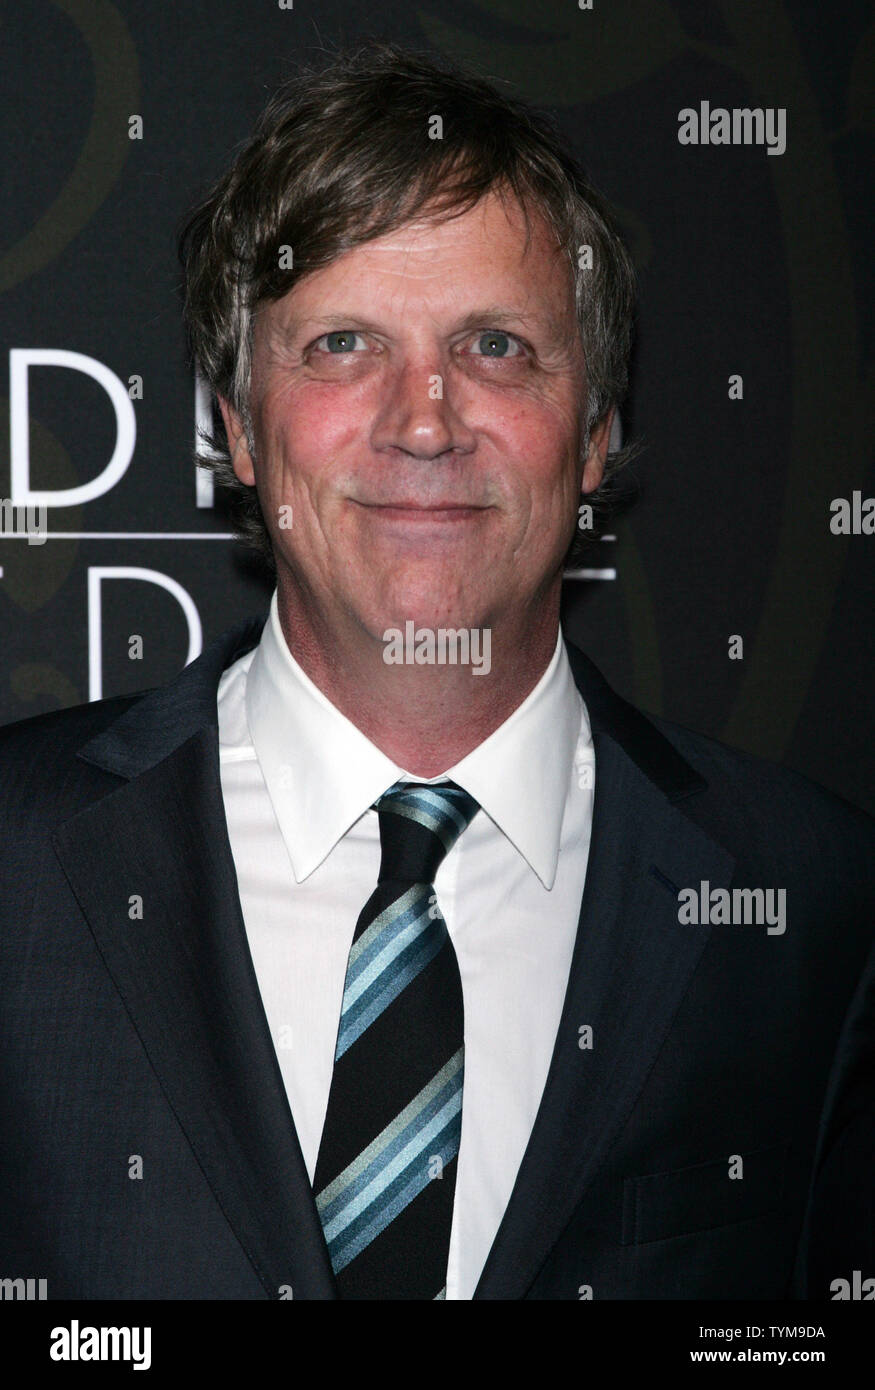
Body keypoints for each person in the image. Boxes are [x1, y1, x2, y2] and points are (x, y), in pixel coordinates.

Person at [0, 43, 872, 1301]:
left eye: (498, 348)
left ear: (595, 434)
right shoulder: (19, 867)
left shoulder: (814, 911)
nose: (424, 418)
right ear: (239, 428)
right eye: (344, 342)